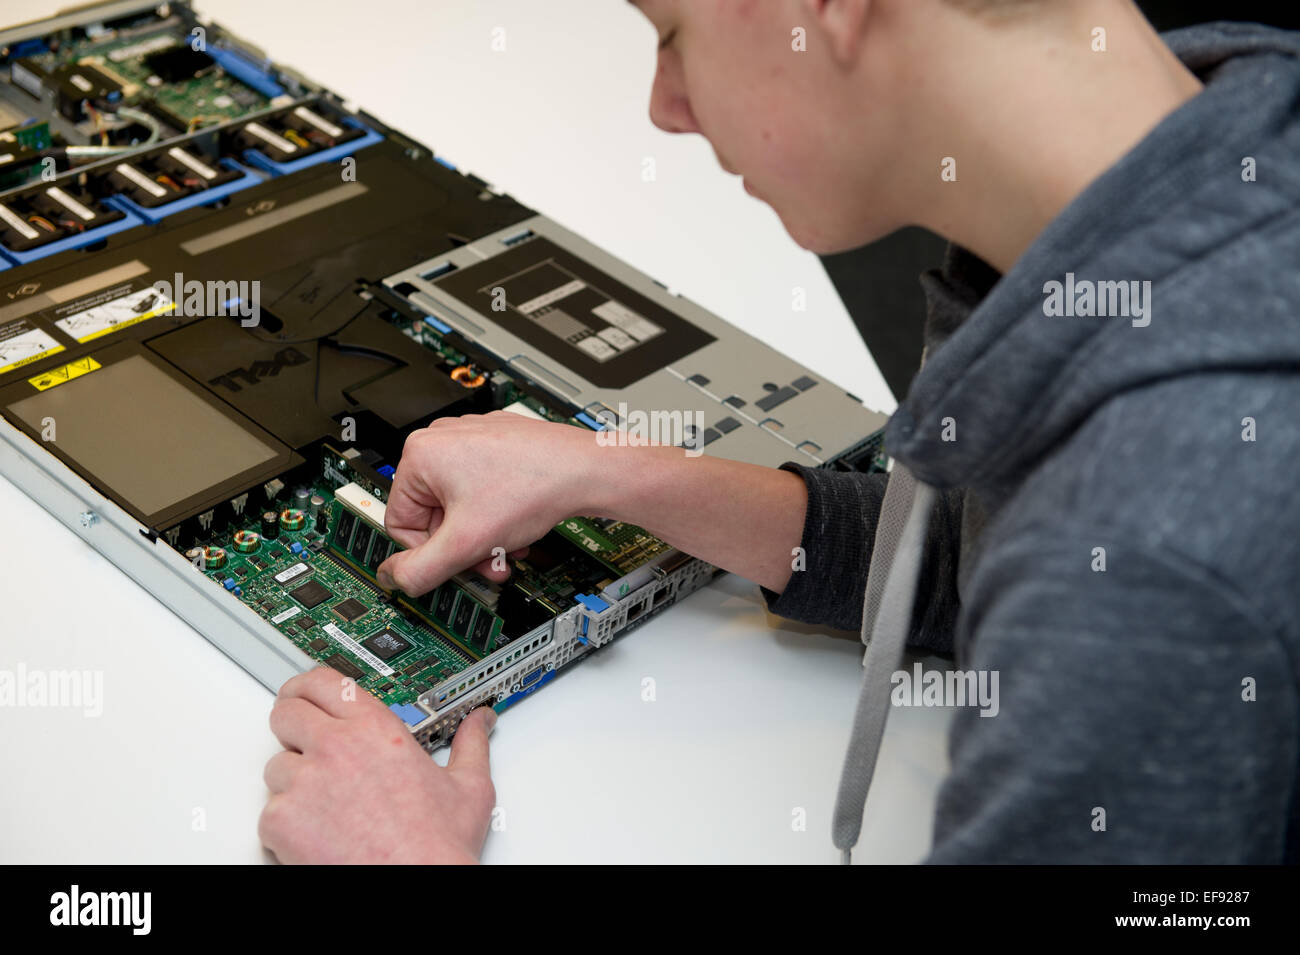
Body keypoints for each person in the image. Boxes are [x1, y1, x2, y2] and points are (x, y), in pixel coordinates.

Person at [257, 0, 1300, 864]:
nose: (664, 108)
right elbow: (980, 570)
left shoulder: (1155, 548)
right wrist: (615, 471)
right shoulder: (1228, 158)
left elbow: (1085, 577)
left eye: (671, 34)